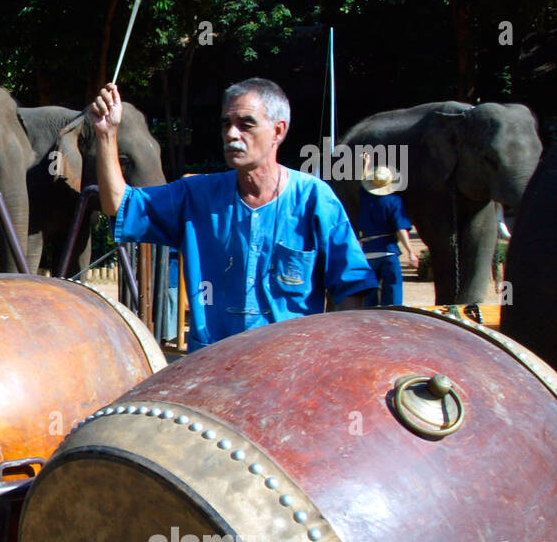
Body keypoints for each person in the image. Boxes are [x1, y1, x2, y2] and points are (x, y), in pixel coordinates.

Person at [91, 78, 375, 351]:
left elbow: (352, 286)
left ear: (278, 131)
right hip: (213, 368)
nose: (231, 134)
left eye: (245, 124)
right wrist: (106, 134)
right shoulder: (196, 196)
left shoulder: (313, 199)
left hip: (289, 372)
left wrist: (332, 353)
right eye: (226, 124)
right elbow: (119, 205)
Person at [356, 165, 415, 306]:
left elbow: (362, 183)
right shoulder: (394, 201)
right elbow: (400, 229)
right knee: (393, 294)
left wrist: (365, 165)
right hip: (388, 252)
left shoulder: (365, 198)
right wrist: (411, 252)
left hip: (368, 252)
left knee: (369, 296)